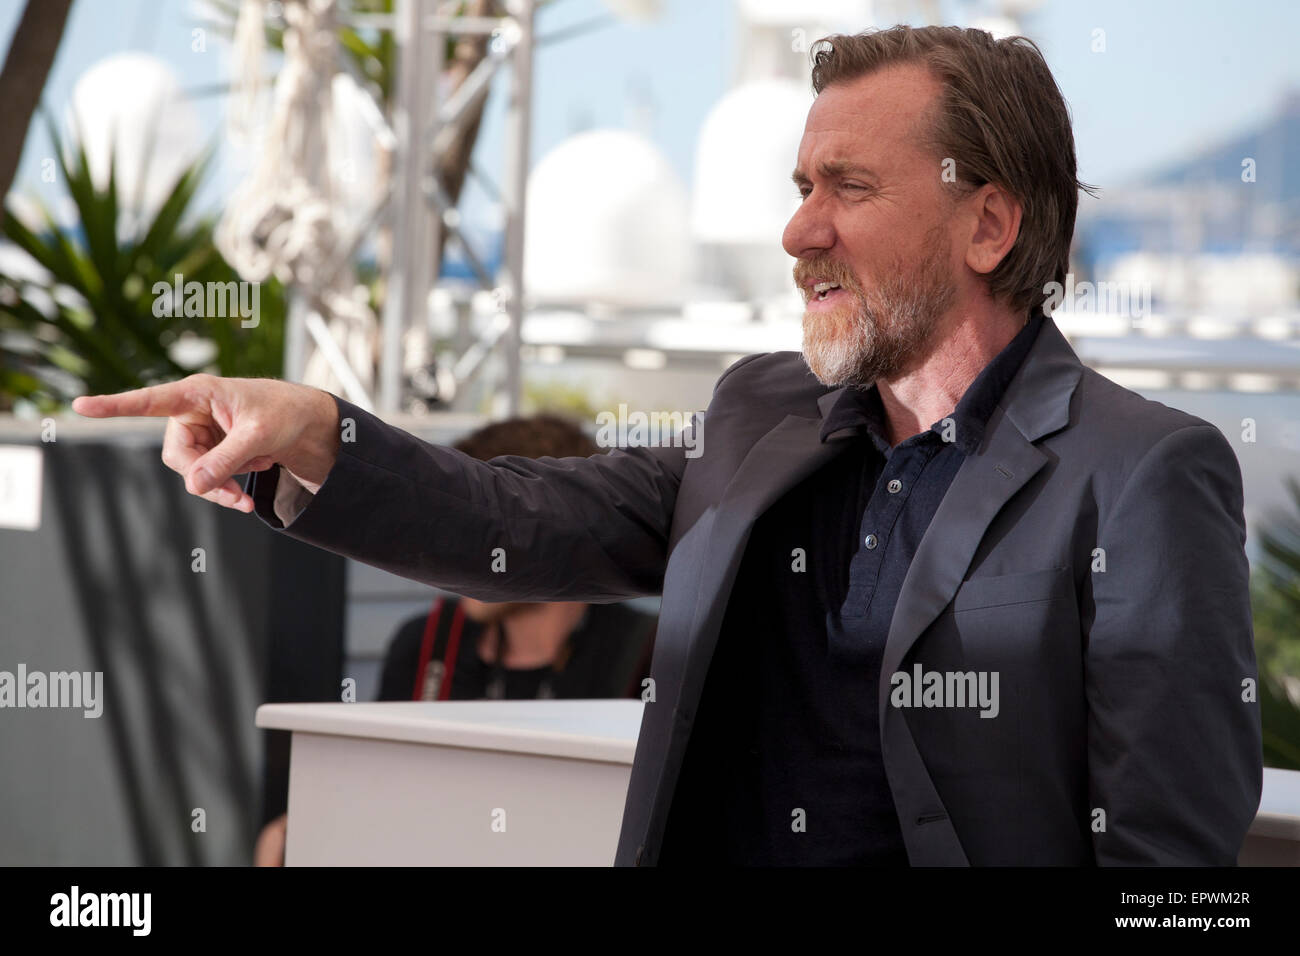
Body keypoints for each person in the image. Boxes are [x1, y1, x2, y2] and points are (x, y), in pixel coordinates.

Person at [76, 25, 1262, 866]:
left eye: (847, 185)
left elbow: (1170, 866)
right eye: (801, 183)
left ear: (989, 222)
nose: (798, 229)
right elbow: (514, 521)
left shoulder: (1141, 470)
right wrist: (321, 435)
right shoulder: (761, 412)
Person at [252, 415, 657, 865]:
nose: (454, 554)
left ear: (547, 534)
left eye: (478, 530)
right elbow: (382, 788)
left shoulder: (650, 653)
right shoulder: (425, 641)